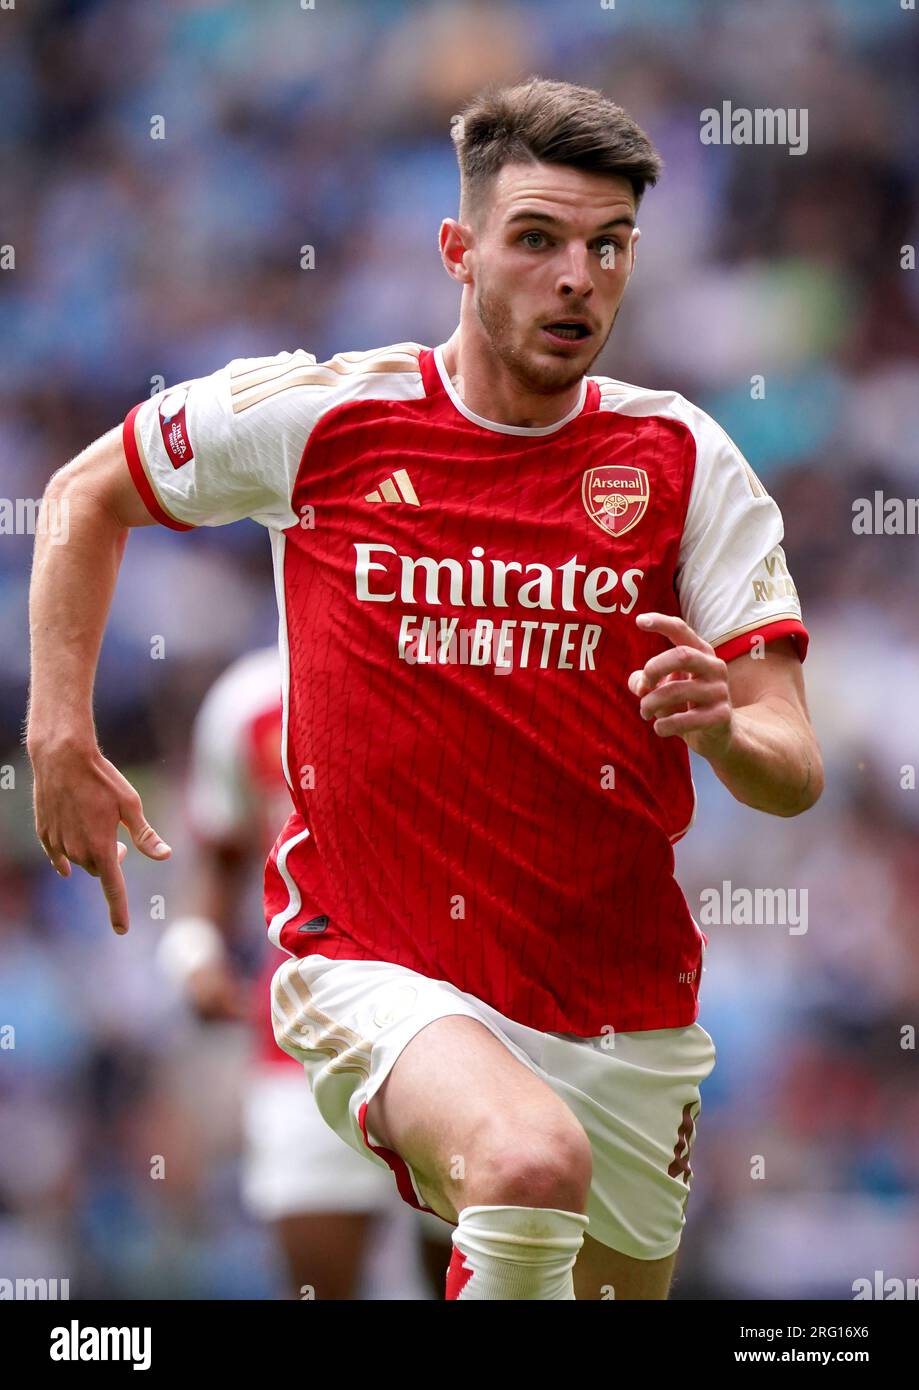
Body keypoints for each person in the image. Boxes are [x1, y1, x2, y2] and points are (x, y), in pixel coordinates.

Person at [27, 76, 823, 1300]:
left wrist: (725, 725)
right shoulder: (326, 416)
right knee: (524, 1160)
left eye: (608, 248)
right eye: (538, 240)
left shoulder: (683, 459)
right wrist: (61, 732)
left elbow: (792, 765)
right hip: (372, 965)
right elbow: (87, 494)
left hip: (621, 1011)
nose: (577, 277)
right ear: (456, 250)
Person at [158, 645, 449, 1298]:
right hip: (305, 1031)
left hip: (460, 1015)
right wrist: (195, 950)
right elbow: (220, 849)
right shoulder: (248, 699)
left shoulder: (452, 669)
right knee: (316, 1280)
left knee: (467, 1276)